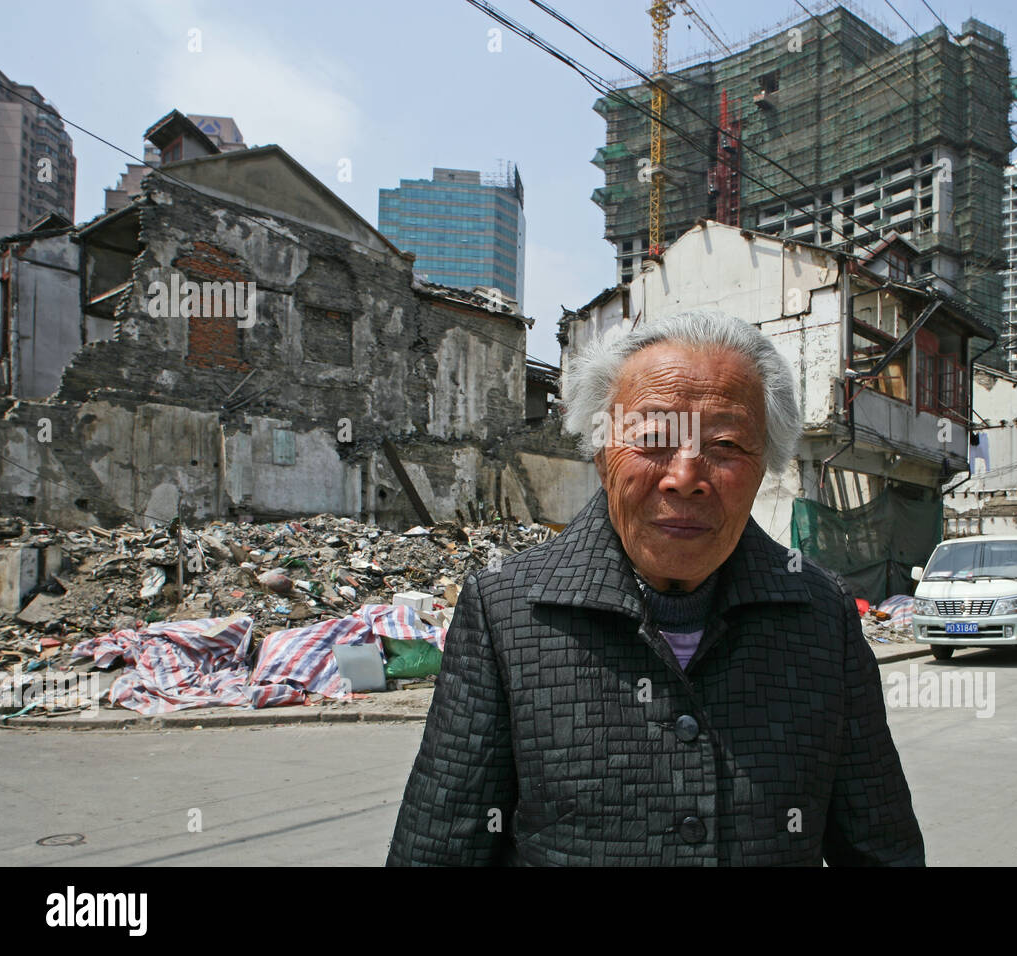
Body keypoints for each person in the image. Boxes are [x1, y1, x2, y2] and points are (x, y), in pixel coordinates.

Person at [385, 309, 925, 866]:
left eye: (725, 445)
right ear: (601, 454)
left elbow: (880, 846)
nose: (685, 477)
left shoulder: (821, 614)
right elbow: (440, 849)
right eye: (653, 438)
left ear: (765, 465)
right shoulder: (506, 610)